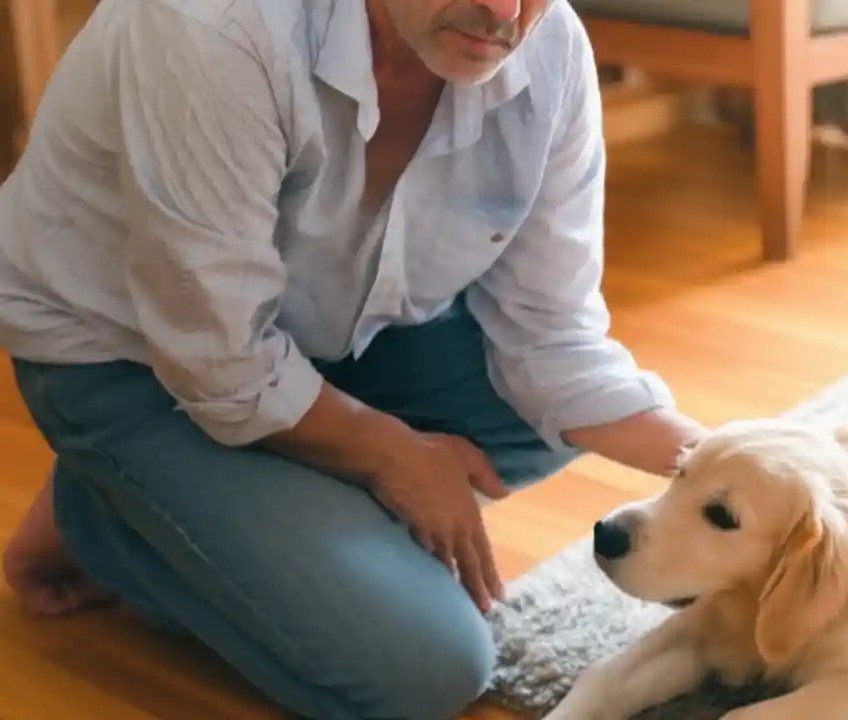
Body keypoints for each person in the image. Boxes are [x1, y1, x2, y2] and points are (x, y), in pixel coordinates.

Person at [0, 0, 706, 718]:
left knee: (543, 416)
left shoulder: (550, 45)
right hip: (135, 364)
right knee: (424, 671)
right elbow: (222, 366)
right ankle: (107, 516)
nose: (504, 10)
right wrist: (397, 458)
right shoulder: (209, 25)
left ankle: (200, 501)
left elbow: (552, 338)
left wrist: (736, 463)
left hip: (322, 339)